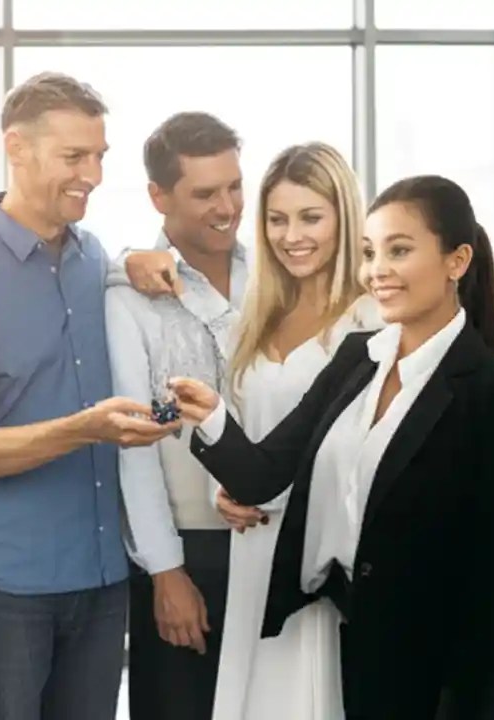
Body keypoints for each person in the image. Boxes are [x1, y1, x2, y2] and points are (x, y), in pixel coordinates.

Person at [169, 174, 494, 719]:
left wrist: (464, 704)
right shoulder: (357, 358)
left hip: (438, 679)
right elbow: (264, 473)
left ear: (457, 261)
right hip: (357, 653)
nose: (377, 271)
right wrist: (210, 415)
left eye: (400, 250)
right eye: (370, 252)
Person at [0, 71, 180, 720]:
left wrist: (140, 254)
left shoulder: (96, 261)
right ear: (17, 149)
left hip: (102, 582)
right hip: (3, 590)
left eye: (99, 157)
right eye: (73, 157)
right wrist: (83, 428)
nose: (91, 173)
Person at [209, 142, 381, 720]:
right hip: (252, 545)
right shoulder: (252, 321)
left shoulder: (370, 321)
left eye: (311, 216)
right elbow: (247, 434)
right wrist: (226, 490)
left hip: (318, 553)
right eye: (278, 219)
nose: (292, 235)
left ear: (344, 218)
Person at [104, 111, 248, 720]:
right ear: (159, 196)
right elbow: (132, 445)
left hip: (274, 543)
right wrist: (166, 572)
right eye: (206, 193)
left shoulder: (272, 275)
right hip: (187, 552)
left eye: (236, 186)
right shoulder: (126, 297)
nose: (227, 207)